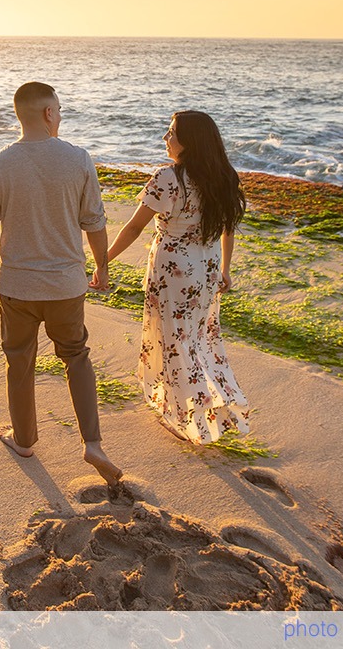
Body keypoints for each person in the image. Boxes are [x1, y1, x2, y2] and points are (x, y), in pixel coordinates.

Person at [0, 82, 122, 484]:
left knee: (19, 360)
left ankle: (23, 440)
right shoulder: (78, 159)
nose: (60, 114)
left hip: (17, 286)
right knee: (76, 356)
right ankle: (92, 443)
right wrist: (102, 268)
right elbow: (95, 222)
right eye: (59, 108)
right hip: (65, 286)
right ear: (49, 113)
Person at [107, 110, 251, 443]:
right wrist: (225, 270)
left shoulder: (168, 178)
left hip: (174, 270)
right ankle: (216, 409)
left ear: (189, 142)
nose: (165, 138)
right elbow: (227, 228)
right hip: (207, 267)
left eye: (171, 133)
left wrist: (103, 260)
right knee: (201, 340)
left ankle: (189, 419)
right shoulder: (224, 175)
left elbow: (133, 227)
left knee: (174, 344)